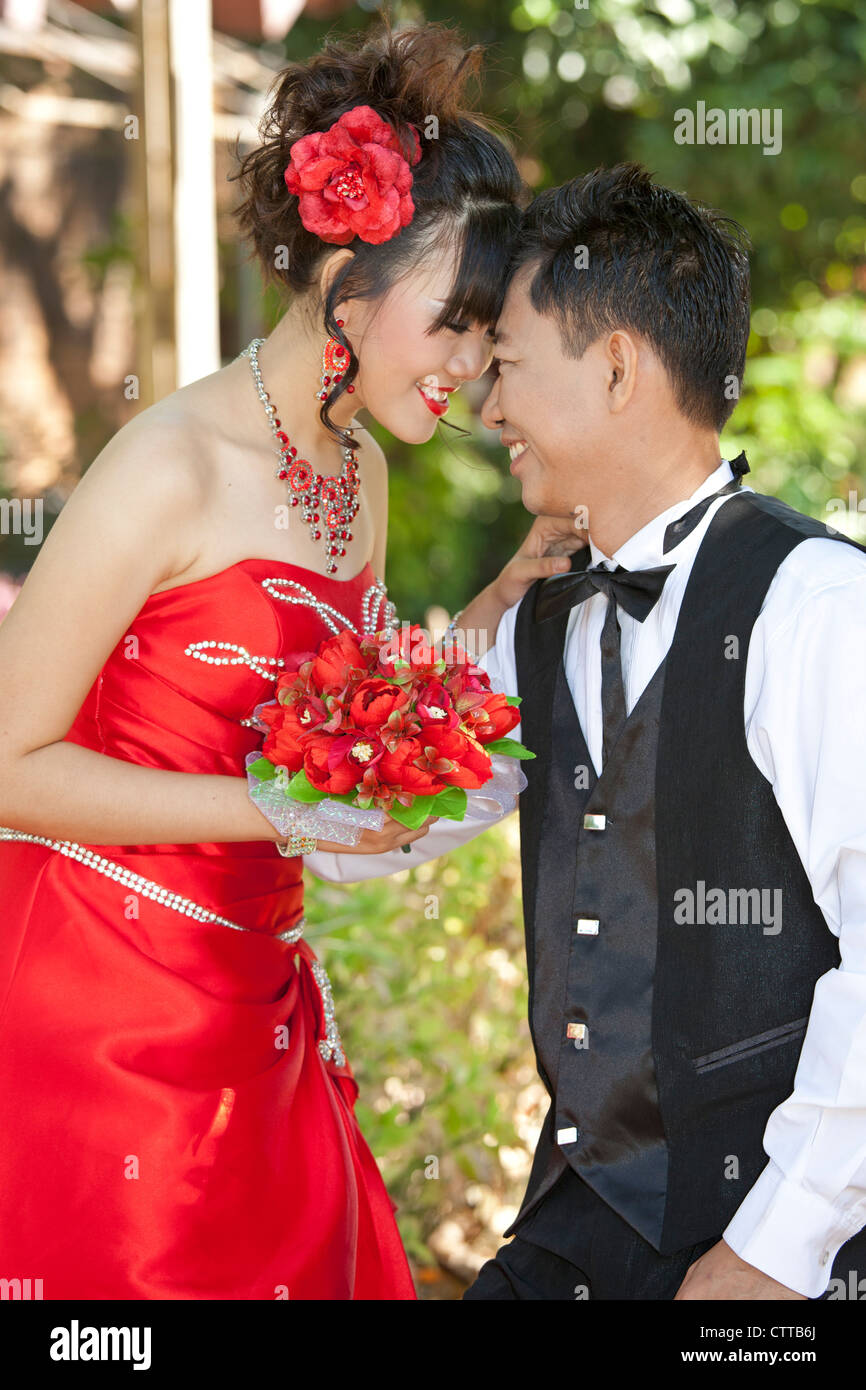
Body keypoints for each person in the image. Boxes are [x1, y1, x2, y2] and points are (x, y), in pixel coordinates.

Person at [0, 21, 576, 1301]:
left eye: (491, 332)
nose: (475, 366)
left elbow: (352, 717)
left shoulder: (356, 467)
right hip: (98, 1014)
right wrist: (274, 807)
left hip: (259, 1006)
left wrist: (496, 599)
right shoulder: (169, 467)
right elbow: (7, 767)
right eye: (459, 321)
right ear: (346, 285)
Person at [308, 163, 866, 1301]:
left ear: (615, 367)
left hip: (777, 1247)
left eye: (507, 366)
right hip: (573, 1233)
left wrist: (770, 1250)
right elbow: (348, 834)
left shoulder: (814, 606)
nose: (486, 407)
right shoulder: (541, 613)